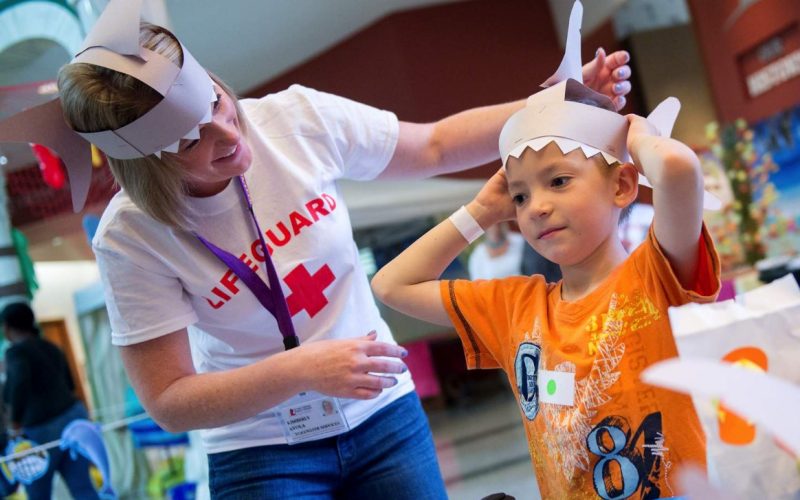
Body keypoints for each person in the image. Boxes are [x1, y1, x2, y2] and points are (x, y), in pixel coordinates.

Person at [0, 0, 631, 497]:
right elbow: (168, 400)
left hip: (382, 415)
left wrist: (556, 104)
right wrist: (302, 369)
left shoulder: (294, 120)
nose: (229, 134)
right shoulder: (130, 236)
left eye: (219, 101)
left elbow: (435, 146)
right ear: (148, 165)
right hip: (260, 450)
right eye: (193, 140)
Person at [371, 3, 721, 497]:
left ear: (622, 187)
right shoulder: (516, 309)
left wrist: (638, 136)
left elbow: (680, 172)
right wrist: (481, 211)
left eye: (558, 181)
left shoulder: (657, 275)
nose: (535, 207)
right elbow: (390, 284)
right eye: (520, 195)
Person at [1, 302, 99, 500]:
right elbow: (70, 383)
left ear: (7, 327)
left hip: (41, 426)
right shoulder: (51, 346)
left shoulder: (16, 352)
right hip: (74, 416)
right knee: (82, 485)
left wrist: (14, 423)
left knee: (38, 491)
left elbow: (20, 382)